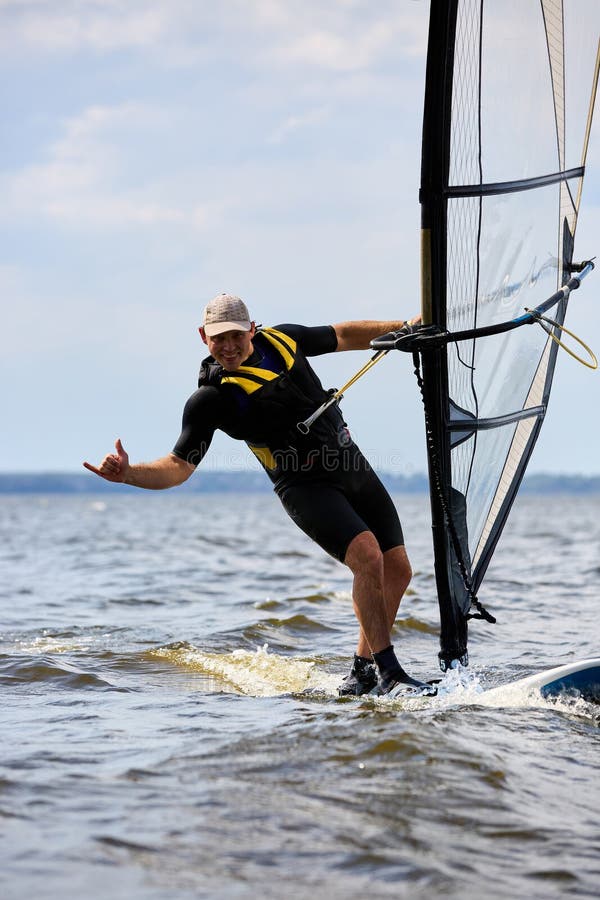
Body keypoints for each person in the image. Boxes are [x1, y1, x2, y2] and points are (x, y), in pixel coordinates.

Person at [84, 293, 433, 697]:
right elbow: (178, 467)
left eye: (236, 335)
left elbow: (343, 335)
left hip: (350, 465)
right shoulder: (212, 400)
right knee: (367, 556)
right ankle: (391, 673)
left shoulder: (284, 340)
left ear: (252, 329)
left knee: (398, 569)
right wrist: (128, 474)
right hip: (304, 486)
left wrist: (406, 328)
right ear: (203, 337)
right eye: (218, 338)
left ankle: (363, 672)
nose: (228, 346)